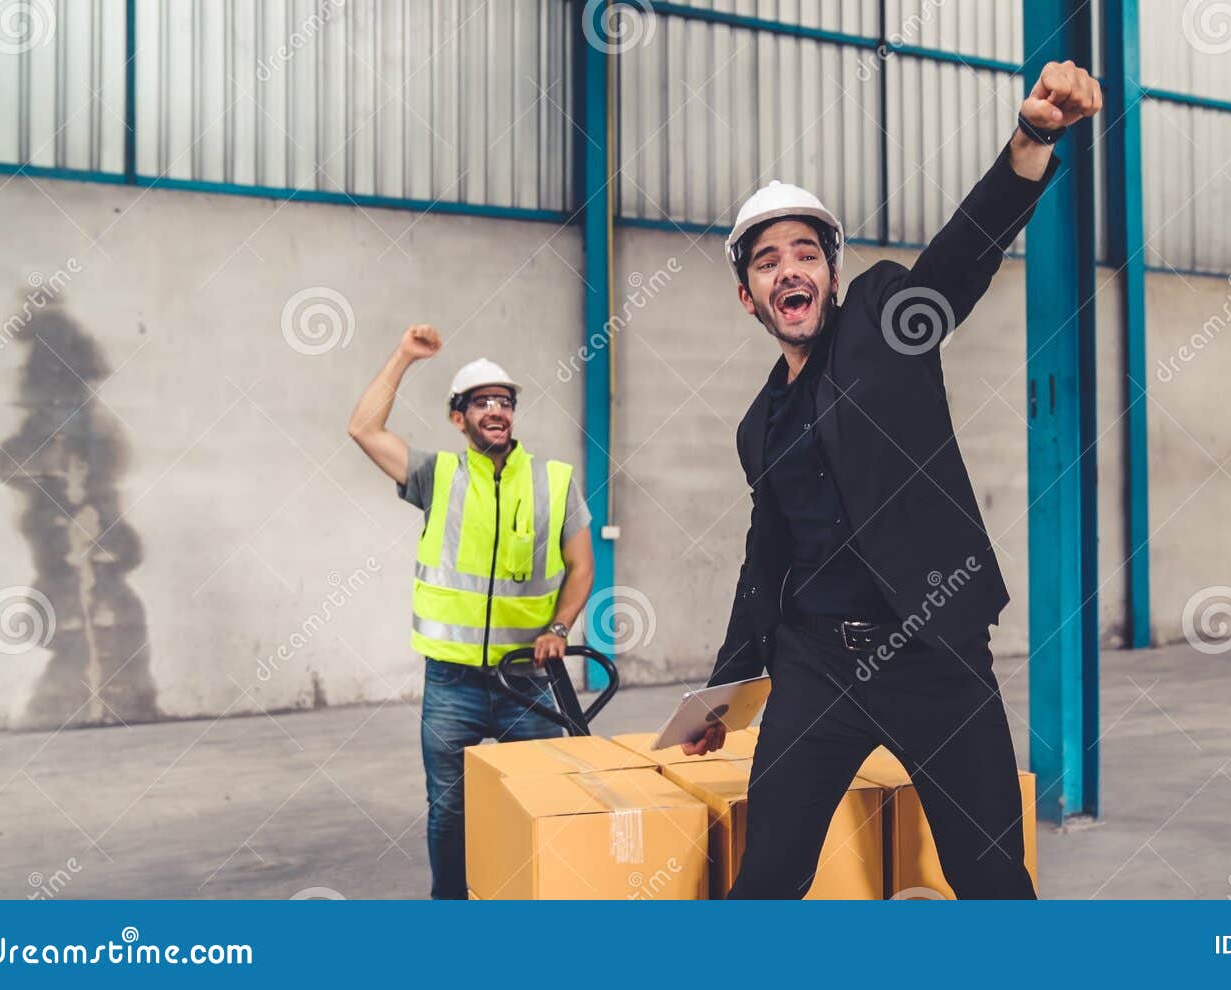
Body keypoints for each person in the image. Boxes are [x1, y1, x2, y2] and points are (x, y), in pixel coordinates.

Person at [684, 61, 1102, 899]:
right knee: (767, 876)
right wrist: (722, 693)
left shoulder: (882, 319)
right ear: (748, 297)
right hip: (815, 669)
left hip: (933, 655)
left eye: (807, 253)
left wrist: (1034, 138)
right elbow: (765, 562)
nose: (789, 270)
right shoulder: (756, 426)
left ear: (832, 275)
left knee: (990, 878)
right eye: (767, 262)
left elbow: (960, 258)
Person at [347, 323, 595, 899]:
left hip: (525, 681)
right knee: (450, 810)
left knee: (543, 799)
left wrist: (560, 627)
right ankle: (452, 913)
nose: (495, 411)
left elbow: (581, 567)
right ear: (458, 417)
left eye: (504, 402)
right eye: (481, 402)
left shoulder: (553, 481)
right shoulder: (437, 476)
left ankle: (540, 900)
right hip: (451, 684)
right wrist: (404, 356)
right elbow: (362, 427)